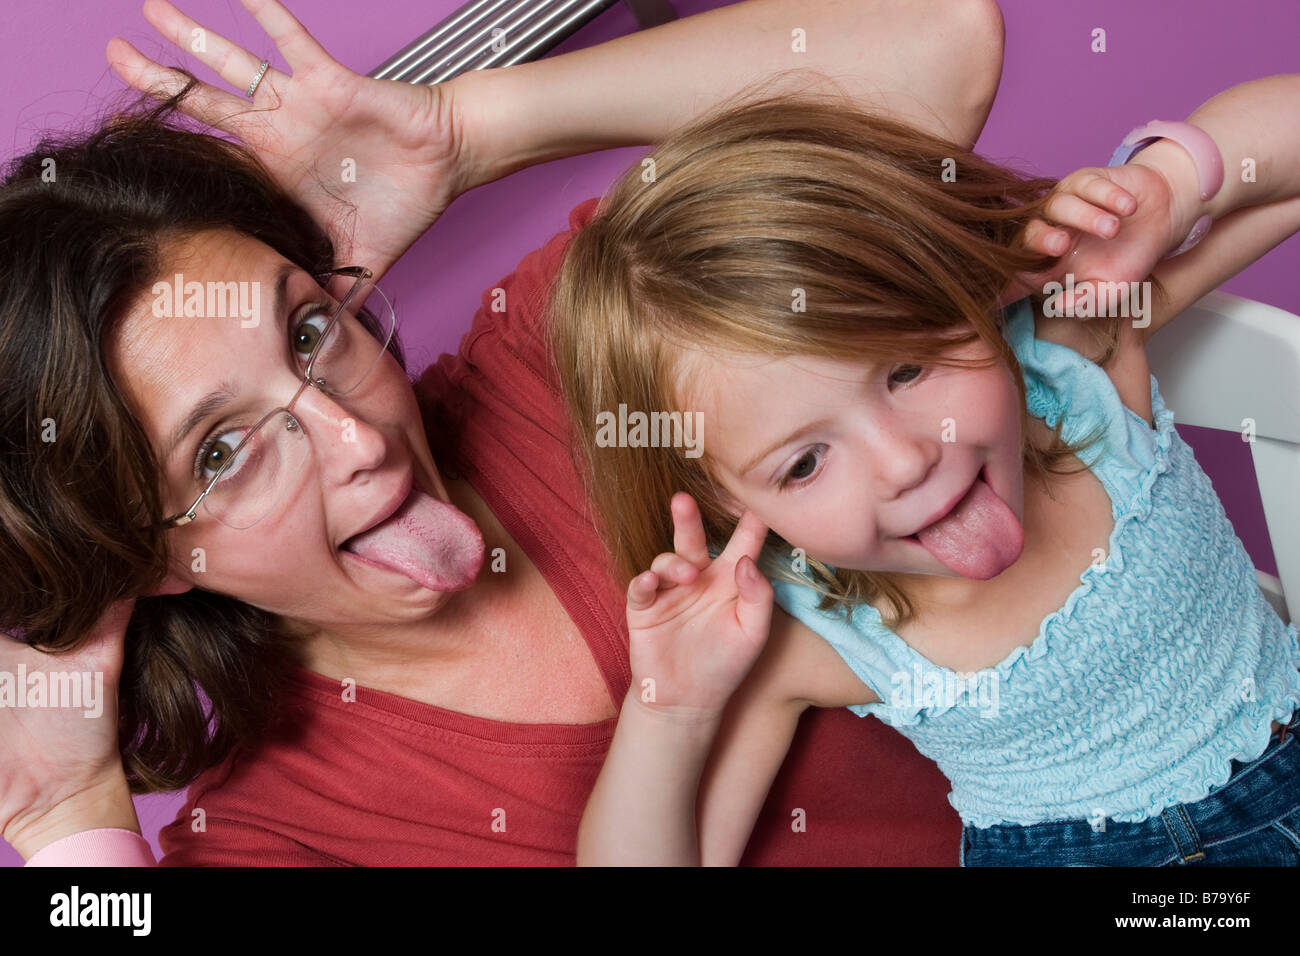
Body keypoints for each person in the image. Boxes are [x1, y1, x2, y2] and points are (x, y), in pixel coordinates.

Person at [1, 0, 1009, 865]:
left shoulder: (565, 357)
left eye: (310, 329)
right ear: (150, 556)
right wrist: (68, 812)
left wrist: (469, 129)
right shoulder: (284, 832)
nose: (360, 440)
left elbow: (940, 53)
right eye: (221, 449)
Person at [557, 77, 1300, 865]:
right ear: (724, 500)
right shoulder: (799, 635)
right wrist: (671, 710)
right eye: (805, 462)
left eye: (908, 369)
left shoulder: (1076, 357)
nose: (907, 460)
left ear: (964, 298)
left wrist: (1165, 187)